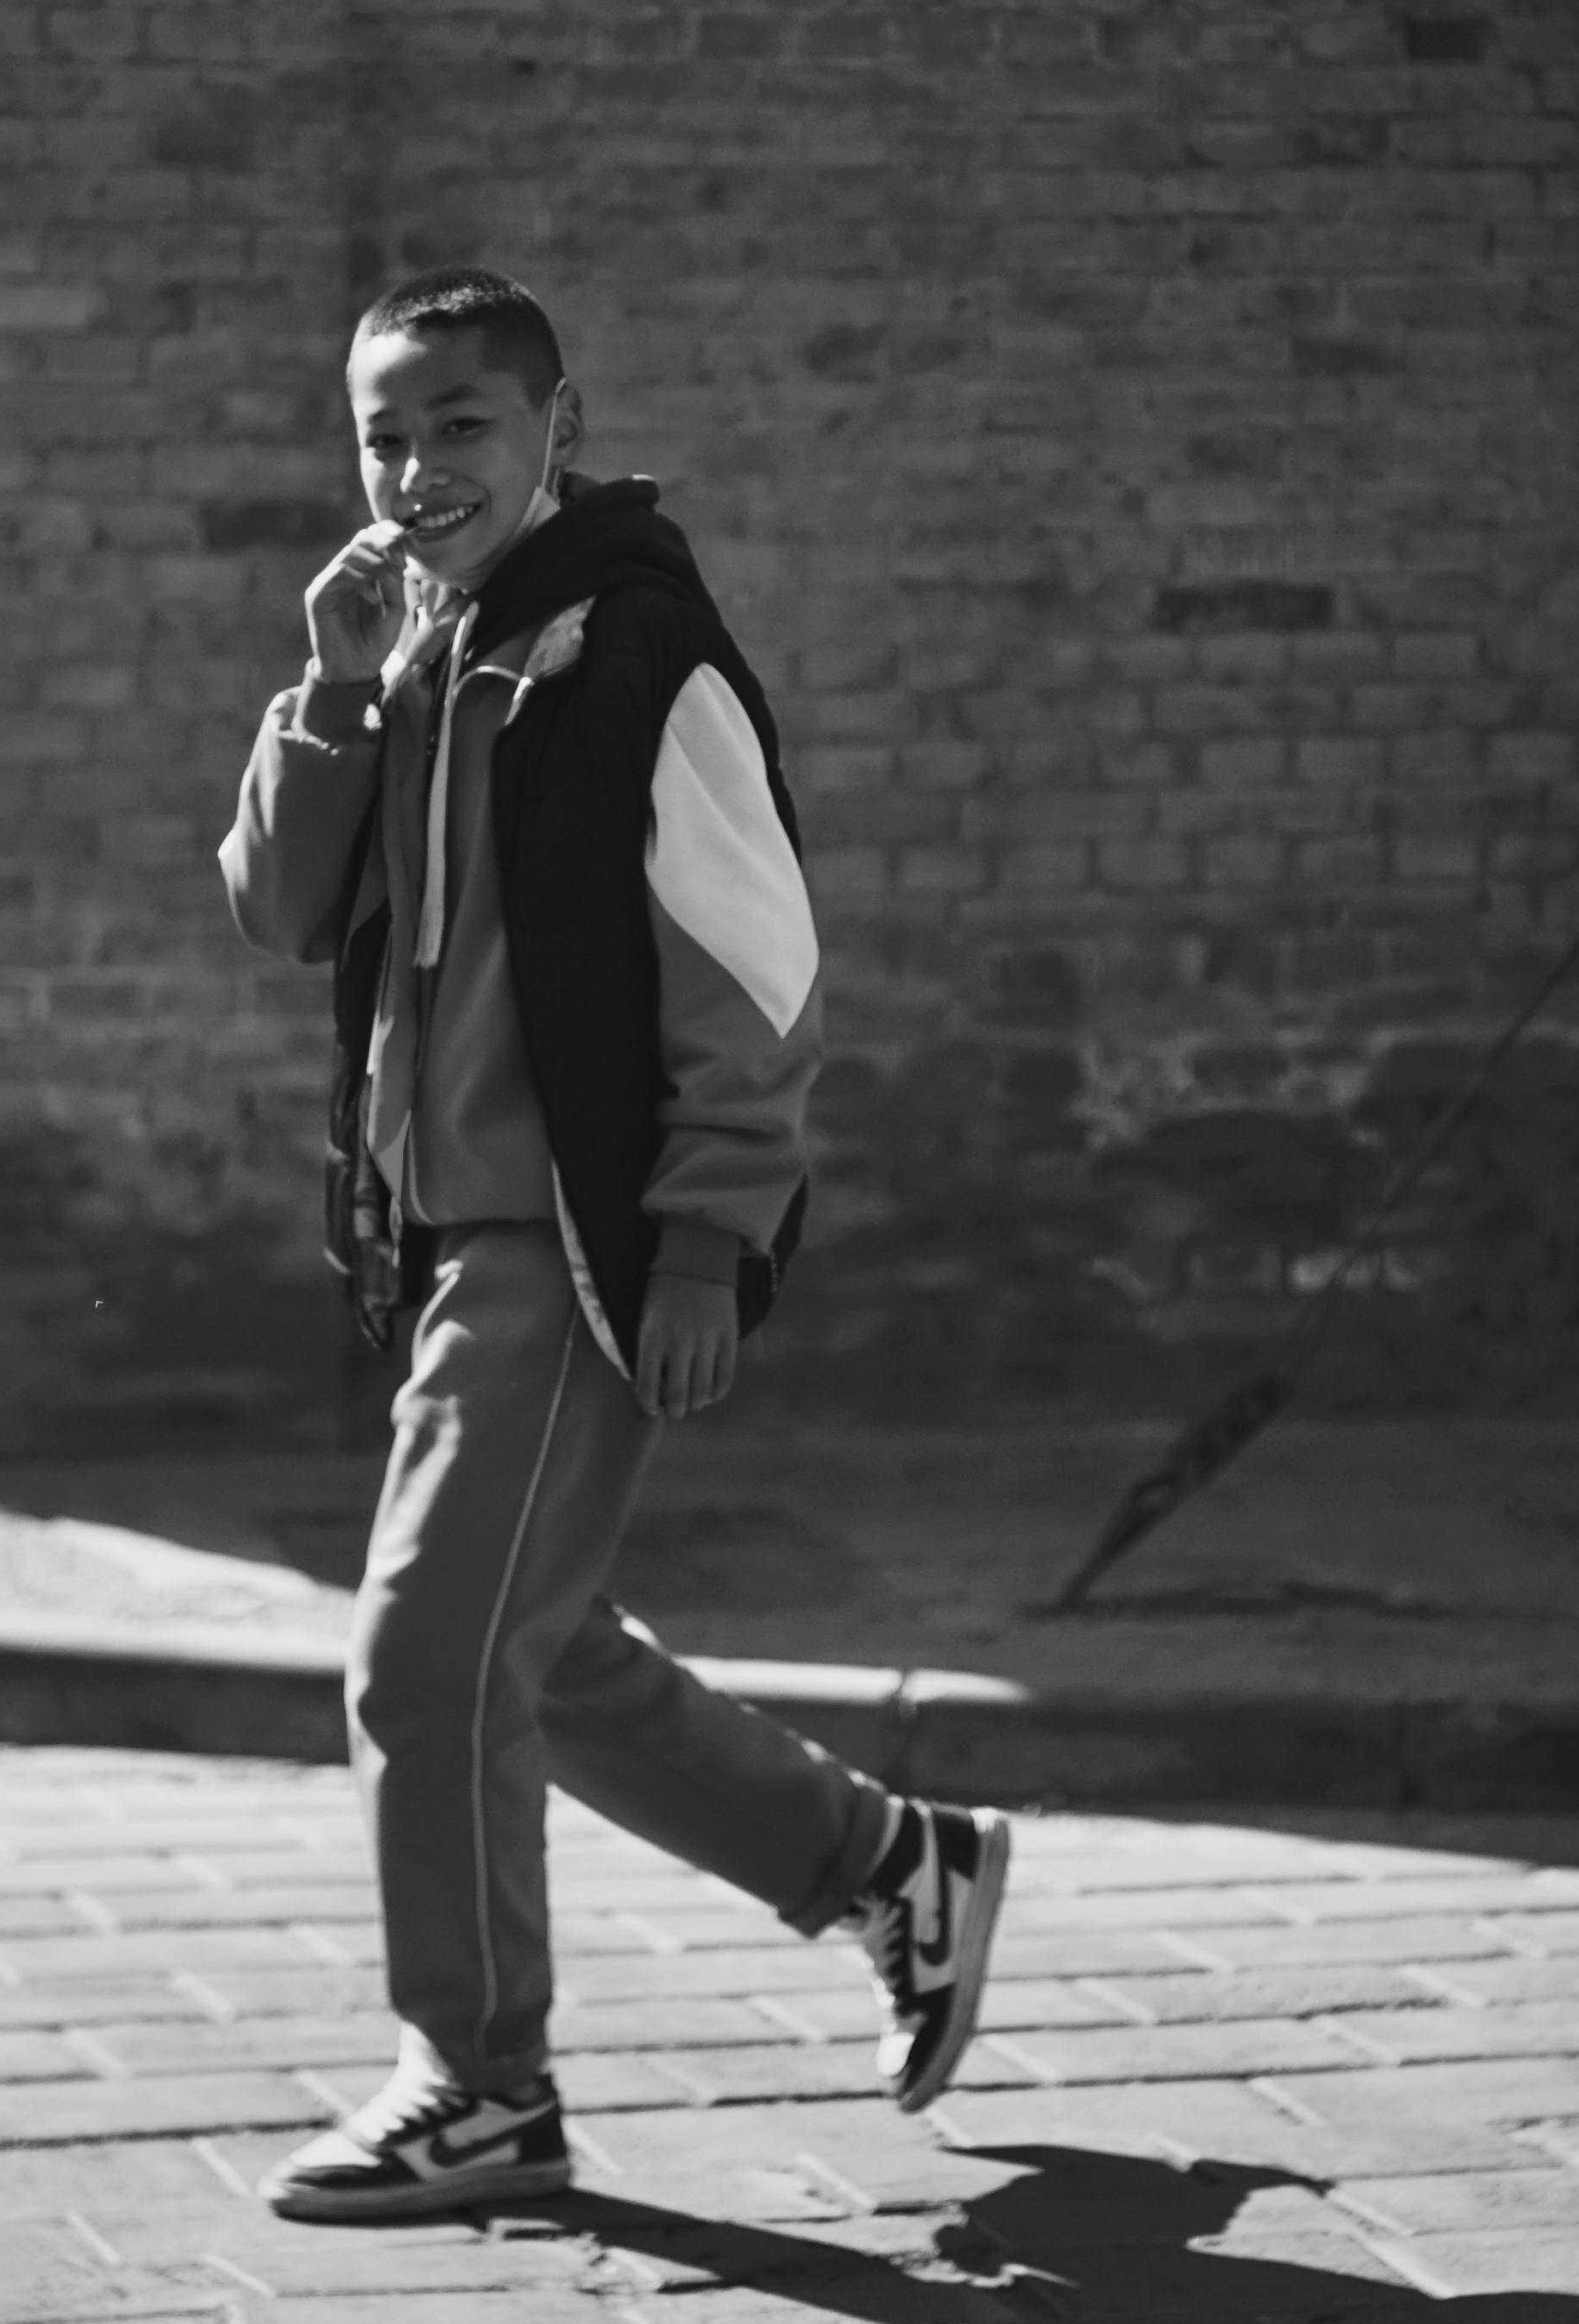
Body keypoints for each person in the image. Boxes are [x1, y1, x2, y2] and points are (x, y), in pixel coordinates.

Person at [221, 267, 1012, 2222]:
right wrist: (327, 690)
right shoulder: (417, 643)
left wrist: (699, 1242)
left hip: (568, 1247)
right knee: (537, 1650)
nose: (413, 470)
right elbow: (274, 903)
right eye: (381, 435)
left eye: (458, 426)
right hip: (444, 1235)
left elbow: (757, 973)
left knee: (423, 1655)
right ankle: (887, 1862)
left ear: (553, 429)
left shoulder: (638, 654)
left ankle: (480, 2084)